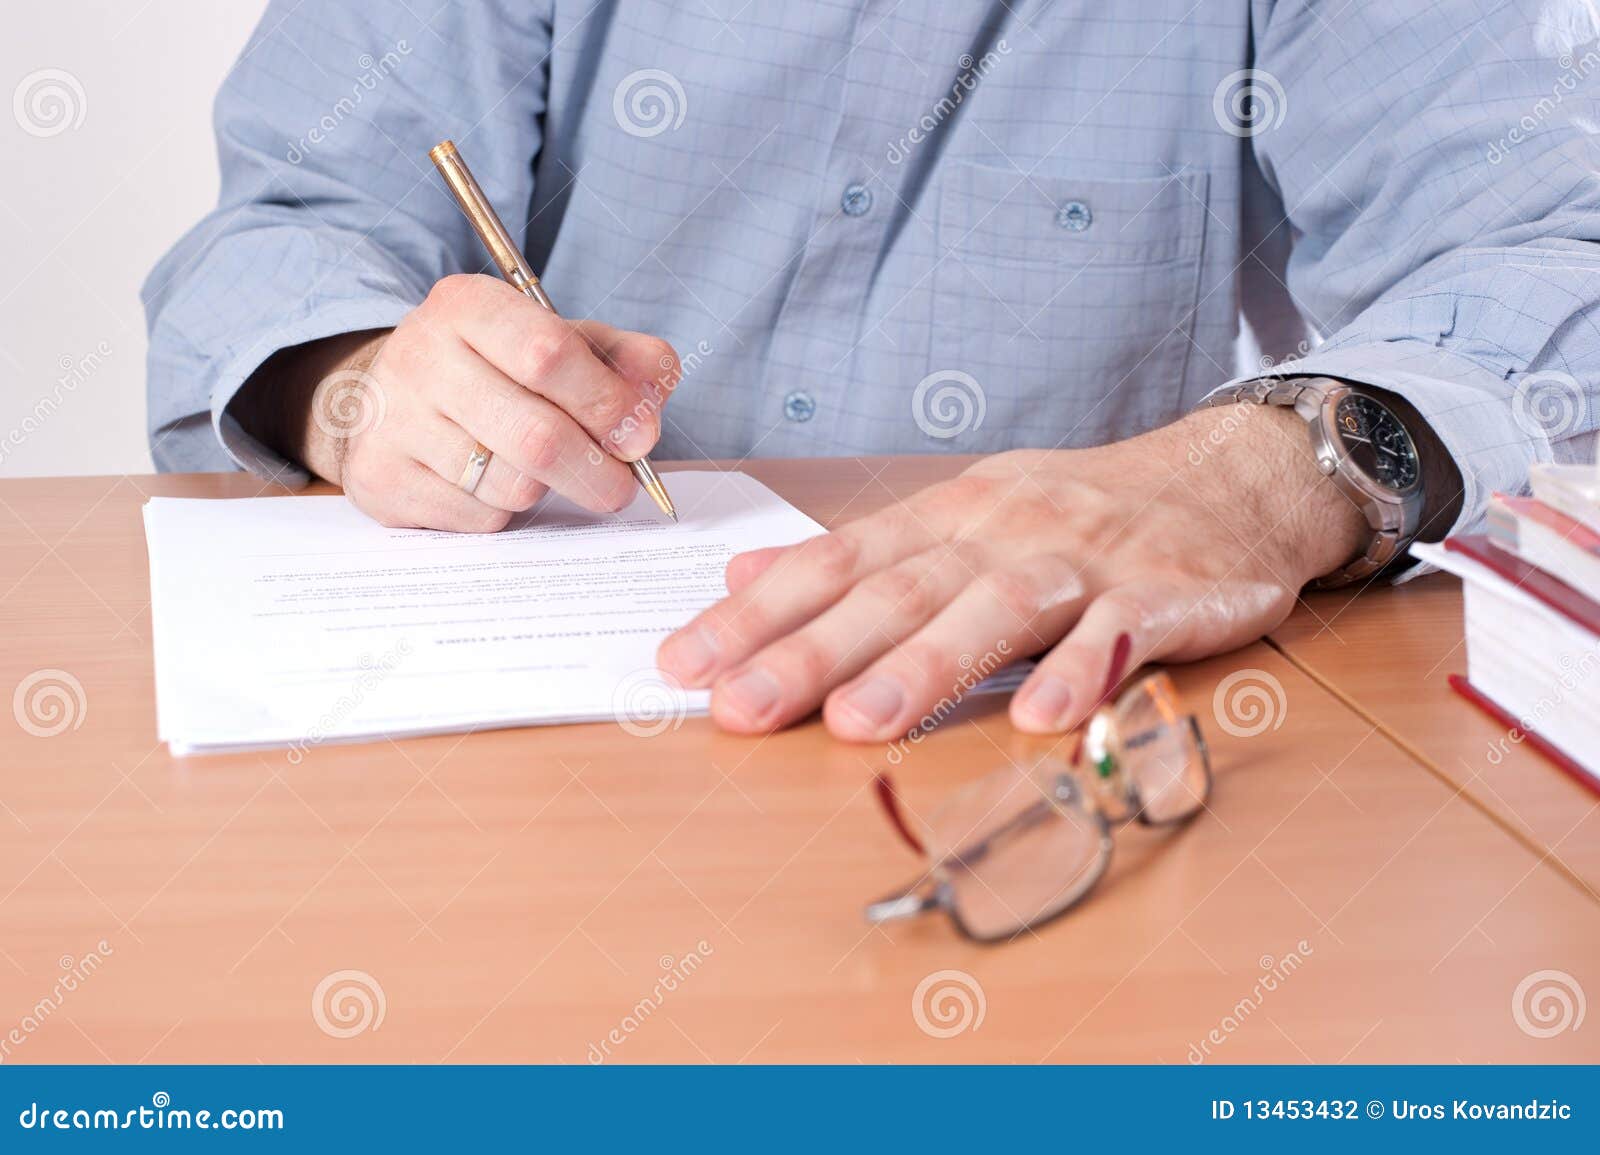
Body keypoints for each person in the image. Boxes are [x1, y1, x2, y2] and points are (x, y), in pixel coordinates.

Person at [144, 2, 1599, 742]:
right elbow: (279, 234)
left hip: (1018, 735)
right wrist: (361, 390)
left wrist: (1274, 470)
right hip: (505, 736)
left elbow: (1563, 241)